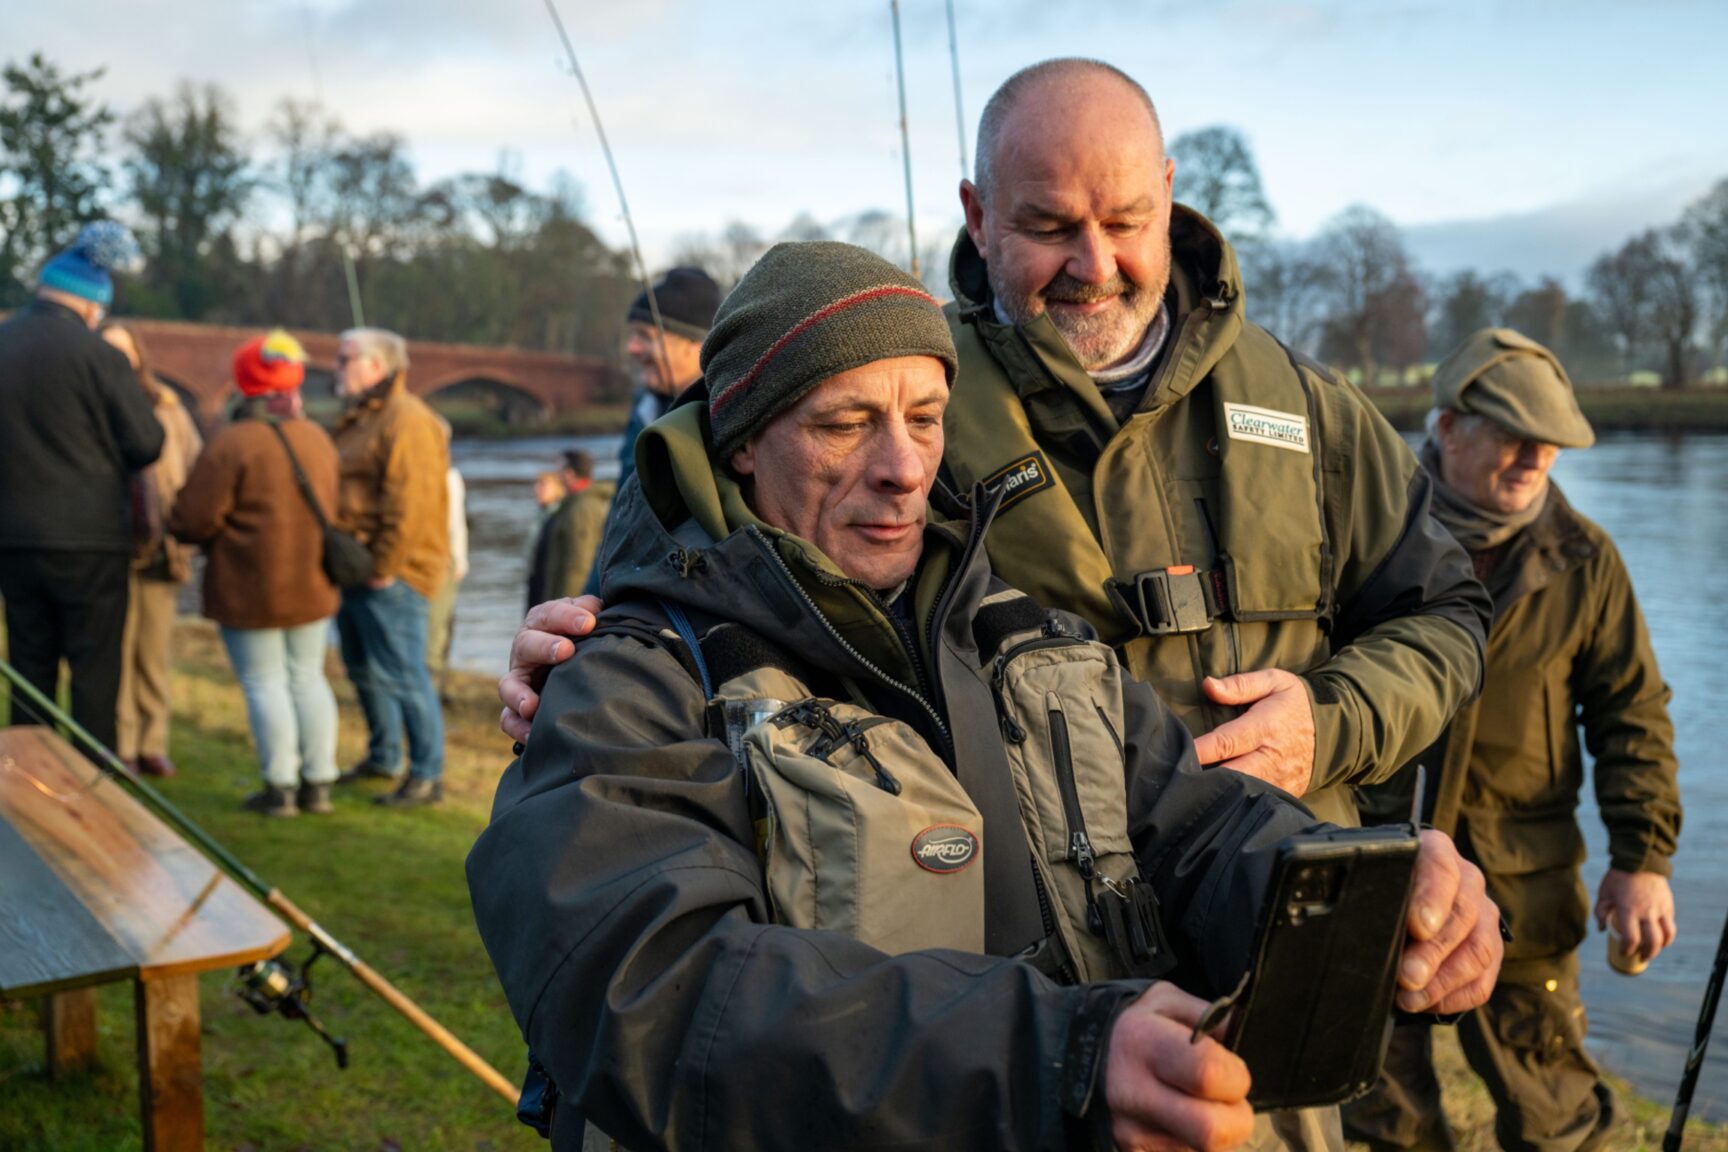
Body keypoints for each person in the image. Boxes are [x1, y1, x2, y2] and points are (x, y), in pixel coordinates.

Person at [496, 60, 1492, 1149]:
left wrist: (1367, 898)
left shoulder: (1043, 632)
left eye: (926, 422)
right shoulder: (654, 670)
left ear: (1169, 195)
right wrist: (580, 657)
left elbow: (1208, 820)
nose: (902, 469)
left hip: (1186, 1054)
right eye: (843, 424)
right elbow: (648, 984)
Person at [1340, 329, 1683, 1152]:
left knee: (1557, 1119)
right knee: (1384, 1122)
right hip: (1376, 875)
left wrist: (1642, 859)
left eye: (1553, 445)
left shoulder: (1586, 560)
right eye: (1515, 437)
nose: (1536, 460)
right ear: (1451, 426)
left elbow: (1631, 713)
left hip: (1523, 892)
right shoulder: (1364, 531)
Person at [0, 221, 161, 755]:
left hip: (13, 535)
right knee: (94, 671)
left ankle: (26, 793)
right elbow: (146, 444)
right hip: (90, 539)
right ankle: (95, 788)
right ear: (93, 306)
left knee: (29, 666)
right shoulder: (101, 357)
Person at [169, 332, 342, 816]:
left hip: (249, 588)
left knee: (265, 682)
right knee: (308, 678)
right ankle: (319, 782)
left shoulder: (232, 444)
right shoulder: (318, 439)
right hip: (311, 584)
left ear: (245, 383)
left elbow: (192, 519)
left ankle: (280, 787)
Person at [330, 326, 451, 807]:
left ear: (375, 366)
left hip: (392, 574)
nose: (335, 369)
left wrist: (385, 566)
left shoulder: (407, 420)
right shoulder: (363, 417)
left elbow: (411, 504)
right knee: (361, 667)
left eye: (344, 360)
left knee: (404, 673)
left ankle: (427, 775)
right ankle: (384, 756)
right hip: (356, 567)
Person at [102, 322, 203, 778]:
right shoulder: (93, 403)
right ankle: (121, 743)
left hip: (162, 545)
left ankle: (153, 741)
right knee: (117, 649)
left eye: (126, 352)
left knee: (154, 649)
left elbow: (195, 464)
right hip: (110, 543)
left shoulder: (168, 405)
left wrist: (184, 525)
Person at [581, 266, 721, 594]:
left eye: (645, 335)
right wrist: (590, 604)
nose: (631, 348)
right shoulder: (642, 413)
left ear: (693, 344)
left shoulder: (731, 417)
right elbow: (620, 528)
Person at [527, 449, 609, 609]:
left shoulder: (581, 508)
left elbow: (578, 565)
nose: (557, 475)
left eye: (560, 470)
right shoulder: (570, 504)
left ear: (570, 474)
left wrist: (563, 608)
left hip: (567, 606)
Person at [427, 425, 469, 699]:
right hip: (433, 560)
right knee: (435, 626)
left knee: (436, 627)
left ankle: (434, 685)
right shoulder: (438, 473)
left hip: (443, 562)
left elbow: (455, 522)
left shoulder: (448, 476)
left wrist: (460, 559)